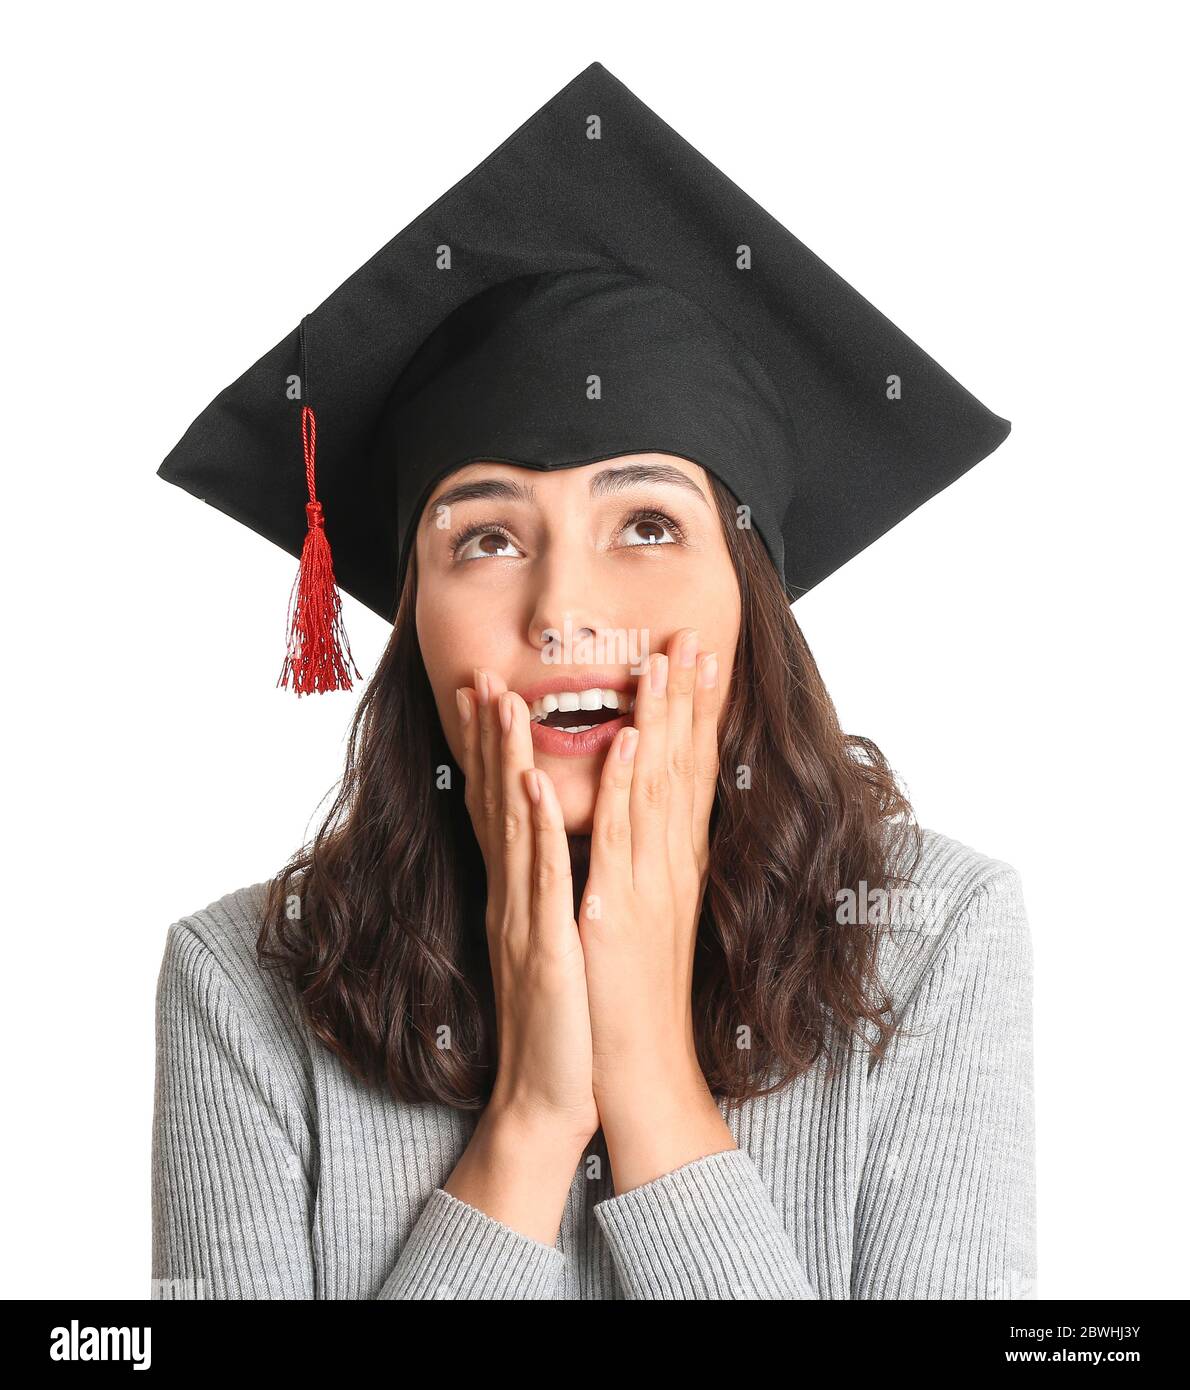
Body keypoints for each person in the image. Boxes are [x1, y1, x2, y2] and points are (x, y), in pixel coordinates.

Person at [151, 62, 1034, 1300]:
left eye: (648, 524)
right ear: (413, 619)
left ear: (752, 594)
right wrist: (526, 1126)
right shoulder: (245, 983)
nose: (561, 610)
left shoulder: (932, 939)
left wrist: (650, 1080)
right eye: (485, 537)